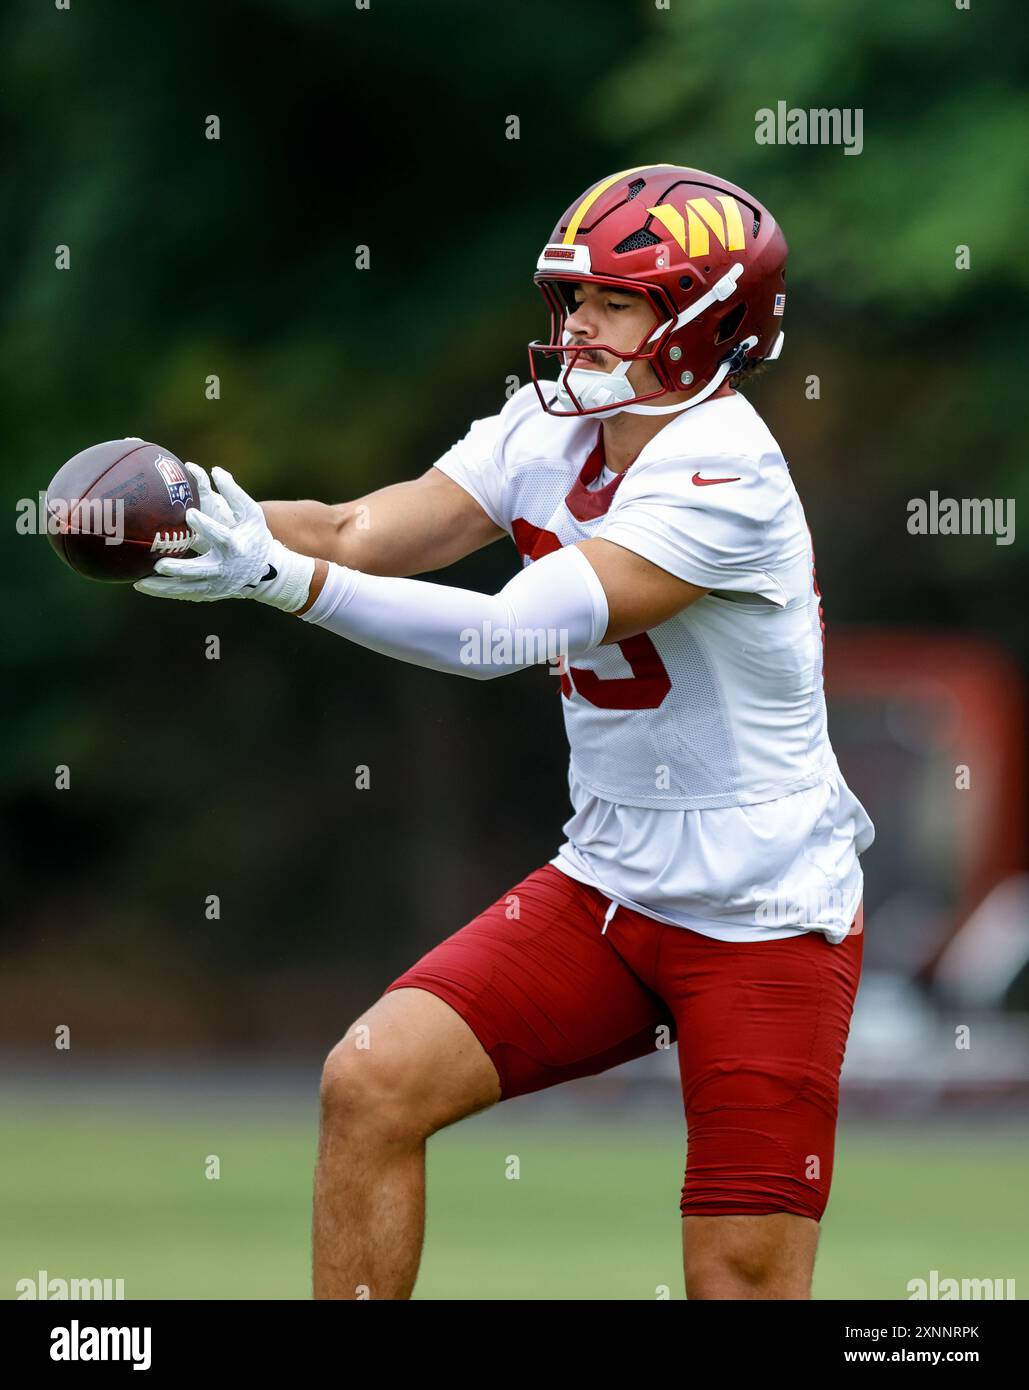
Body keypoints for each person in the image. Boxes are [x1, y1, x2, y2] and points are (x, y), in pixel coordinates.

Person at [136, 163, 875, 1300]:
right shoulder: (550, 424)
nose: (576, 326)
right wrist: (192, 517)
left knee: (737, 1279)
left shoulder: (725, 473)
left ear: (704, 327)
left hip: (761, 912)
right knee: (370, 1082)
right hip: (610, 884)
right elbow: (359, 527)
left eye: (615, 302)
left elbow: (496, 636)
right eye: (572, 298)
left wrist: (279, 583)